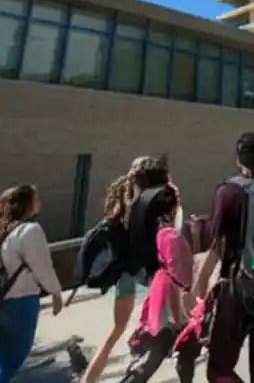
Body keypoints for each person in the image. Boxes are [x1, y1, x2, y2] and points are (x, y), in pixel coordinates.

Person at [176, 132, 254, 383]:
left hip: (241, 284)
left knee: (219, 369)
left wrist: (198, 284)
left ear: (238, 160)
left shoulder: (230, 191)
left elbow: (218, 243)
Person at [81, 157, 173, 383]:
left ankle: (88, 380)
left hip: (123, 272)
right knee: (166, 328)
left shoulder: (121, 197)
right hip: (145, 272)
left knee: (116, 330)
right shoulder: (149, 203)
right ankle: (138, 368)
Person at [0, 185, 64, 383]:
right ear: (27, 204)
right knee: (8, 365)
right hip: (19, 303)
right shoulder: (30, 230)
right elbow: (42, 267)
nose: (40, 202)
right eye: (36, 199)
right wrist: (56, 293)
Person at [120, 184, 193, 382]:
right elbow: (175, 279)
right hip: (165, 311)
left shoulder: (154, 234)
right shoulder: (170, 237)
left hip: (154, 304)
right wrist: (179, 317)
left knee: (160, 354)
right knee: (160, 352)